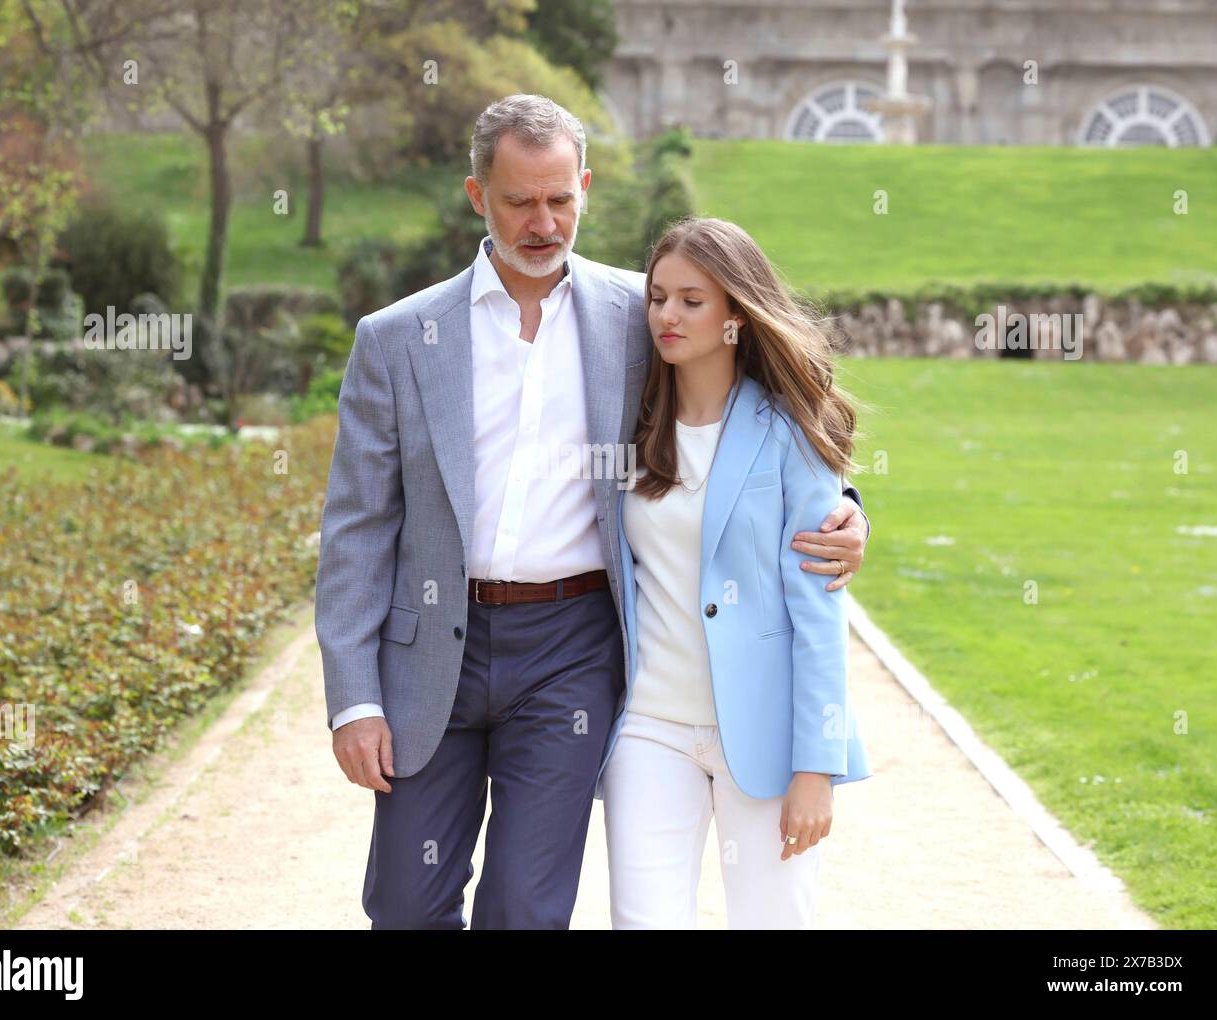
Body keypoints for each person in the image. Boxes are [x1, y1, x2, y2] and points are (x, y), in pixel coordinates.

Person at [314, 94, 871, 930]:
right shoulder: (398, 338)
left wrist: (846, 509)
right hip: (433, 650)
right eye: (518, 202)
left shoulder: (638, 315)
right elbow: (355, 530)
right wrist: (354, 700)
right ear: (477, 196)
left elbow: (760, 402)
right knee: (404, 902)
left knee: (527, 908)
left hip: (571, 649)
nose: (543, 223)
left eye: (560, 200)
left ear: (585, 187)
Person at [600, 216, 873, 929]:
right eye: (658, 296)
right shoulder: (626, 427)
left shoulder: (791, 431)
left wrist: (817, 767)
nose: (667, 314)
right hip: (649, 728)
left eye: (693, 300)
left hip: (767, 738)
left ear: (736, 316)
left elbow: (818, 612)